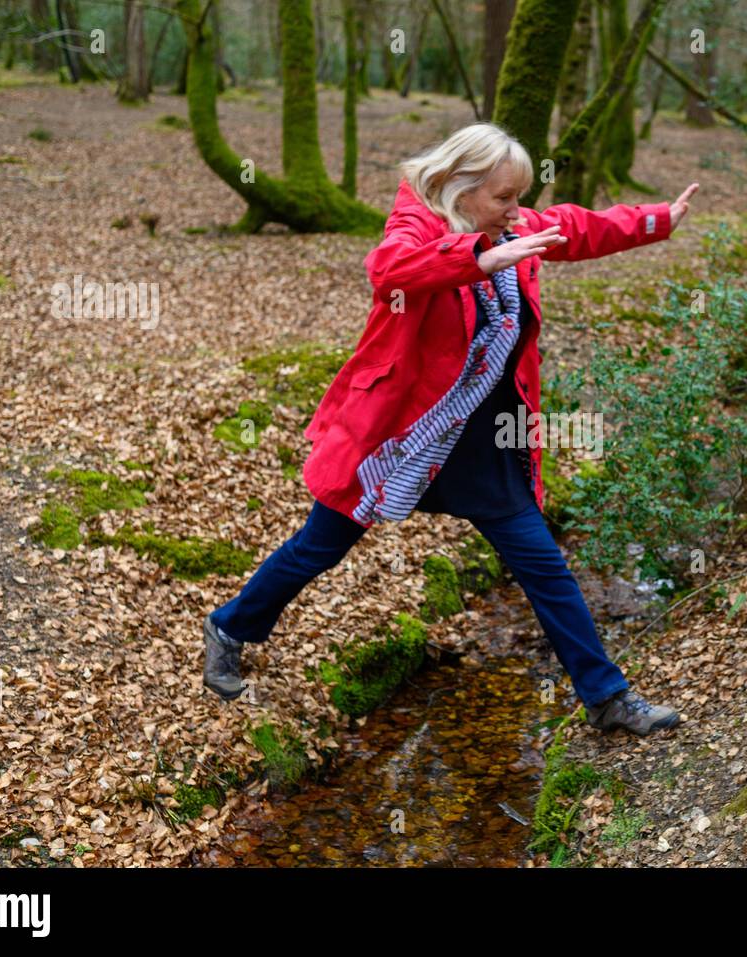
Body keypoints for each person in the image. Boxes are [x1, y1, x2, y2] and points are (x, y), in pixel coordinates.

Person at [203, 122, 699, 736]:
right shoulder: (418, 224)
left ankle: (606, 697)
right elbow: (390, 270)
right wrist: (478, 259)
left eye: (518, 197)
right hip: (404, 433)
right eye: (503, 197)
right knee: (319, 548)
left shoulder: (508, 227)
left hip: (486, 443)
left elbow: (573, 227)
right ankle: (230, 626)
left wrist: (657, 220)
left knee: (545, 567)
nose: (516, 210)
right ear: (461, 190)